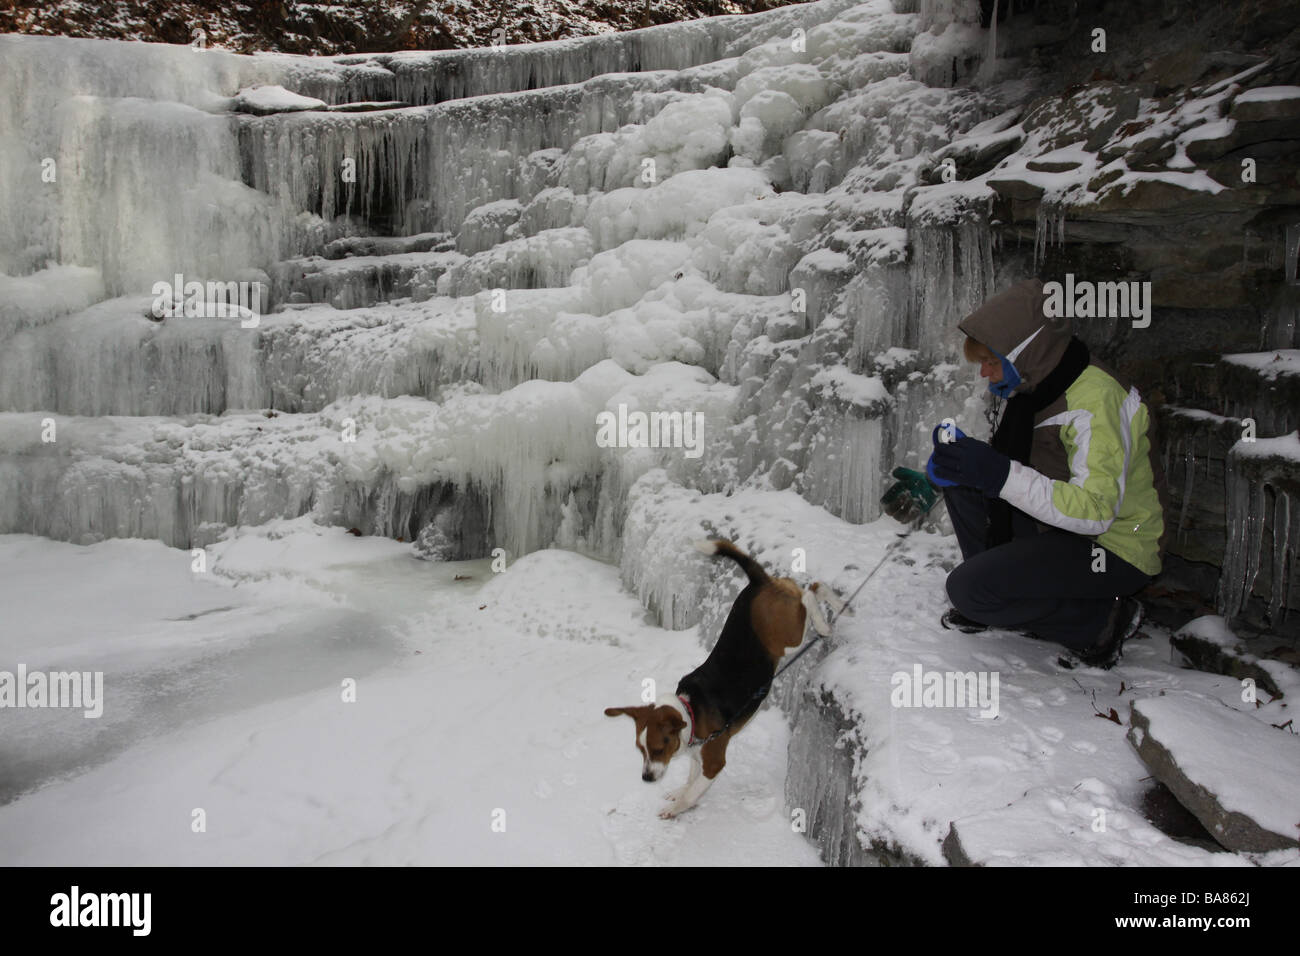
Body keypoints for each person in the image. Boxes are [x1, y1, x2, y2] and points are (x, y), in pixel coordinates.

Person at [927, 278, 1166, 668]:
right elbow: (1028, 467)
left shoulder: (1095, 400)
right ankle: (1004, 594)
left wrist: (999, 474)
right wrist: (961, 465)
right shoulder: (1034, 385)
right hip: (1061, 530)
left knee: (965, 590)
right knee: (964, 486)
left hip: (1115, 546)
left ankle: (1100, 622)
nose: (986, 374)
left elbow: (1096, 512)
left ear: (1025, 352)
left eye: (991, 362)